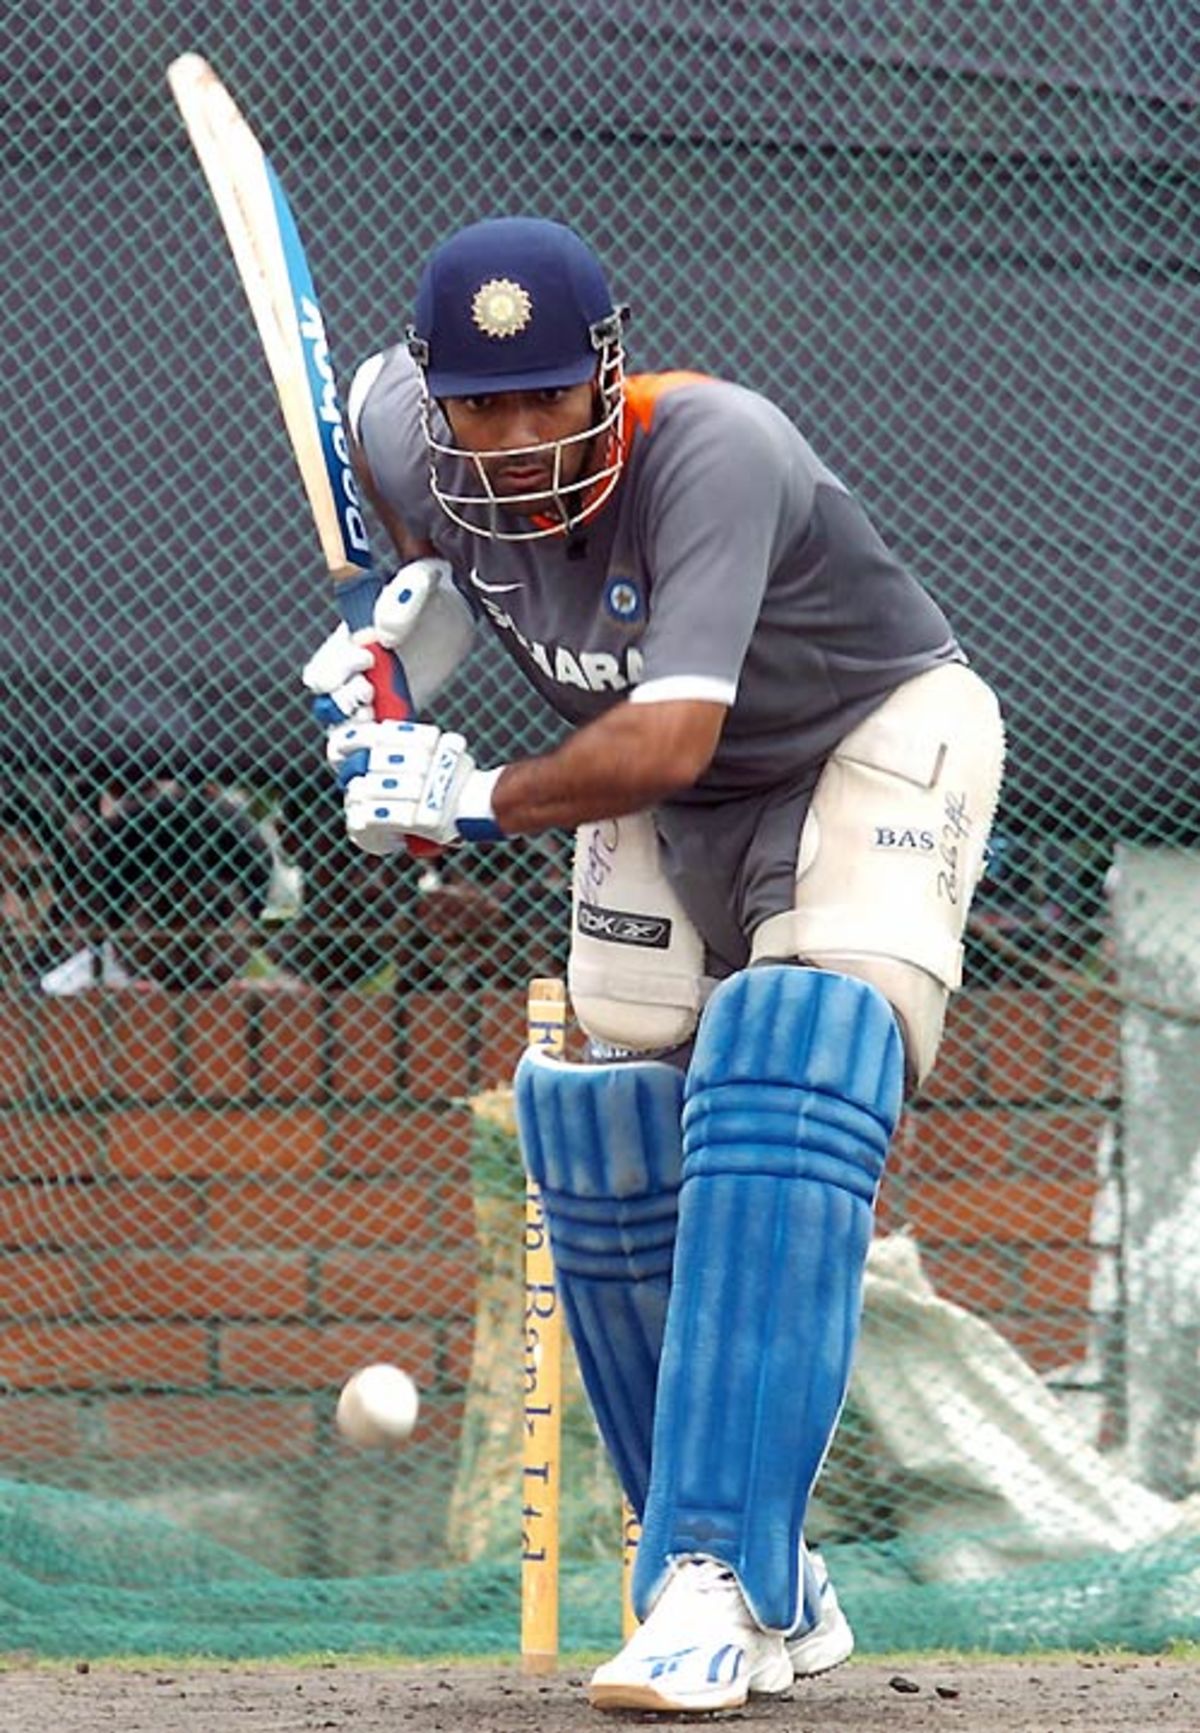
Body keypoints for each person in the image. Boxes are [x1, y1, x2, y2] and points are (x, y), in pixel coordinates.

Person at [302, 216, 1006, 1714]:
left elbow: (670, 736)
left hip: (864, 740)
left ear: (605, 373)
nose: (515, 435)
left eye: (549, 396)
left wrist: (463, 794)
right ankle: (766, 1579)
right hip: (669, 804)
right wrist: (382, 662)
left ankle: (712, 1578)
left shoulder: (717, 447)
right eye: (480, 407)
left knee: (785, 1050)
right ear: (437, 403)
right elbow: (377, 463)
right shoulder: (407, 440)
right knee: (595, 1116)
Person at [38, 786, 279, 994]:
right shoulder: (57, 1003)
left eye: (217, 913)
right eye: (164, 913)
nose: (191, 940)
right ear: (113, 926)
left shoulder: (286, 1005)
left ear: (251, 926)